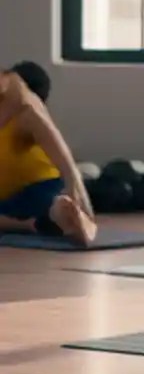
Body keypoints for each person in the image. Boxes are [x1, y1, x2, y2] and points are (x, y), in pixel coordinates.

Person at [0, 61, 97, 245]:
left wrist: (83, 205)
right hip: (12, 203)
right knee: (38, 210)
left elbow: (65, 161)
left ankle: (60, 212)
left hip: (43, 189)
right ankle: (39, 221)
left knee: (51, 203)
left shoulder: (26, 117)